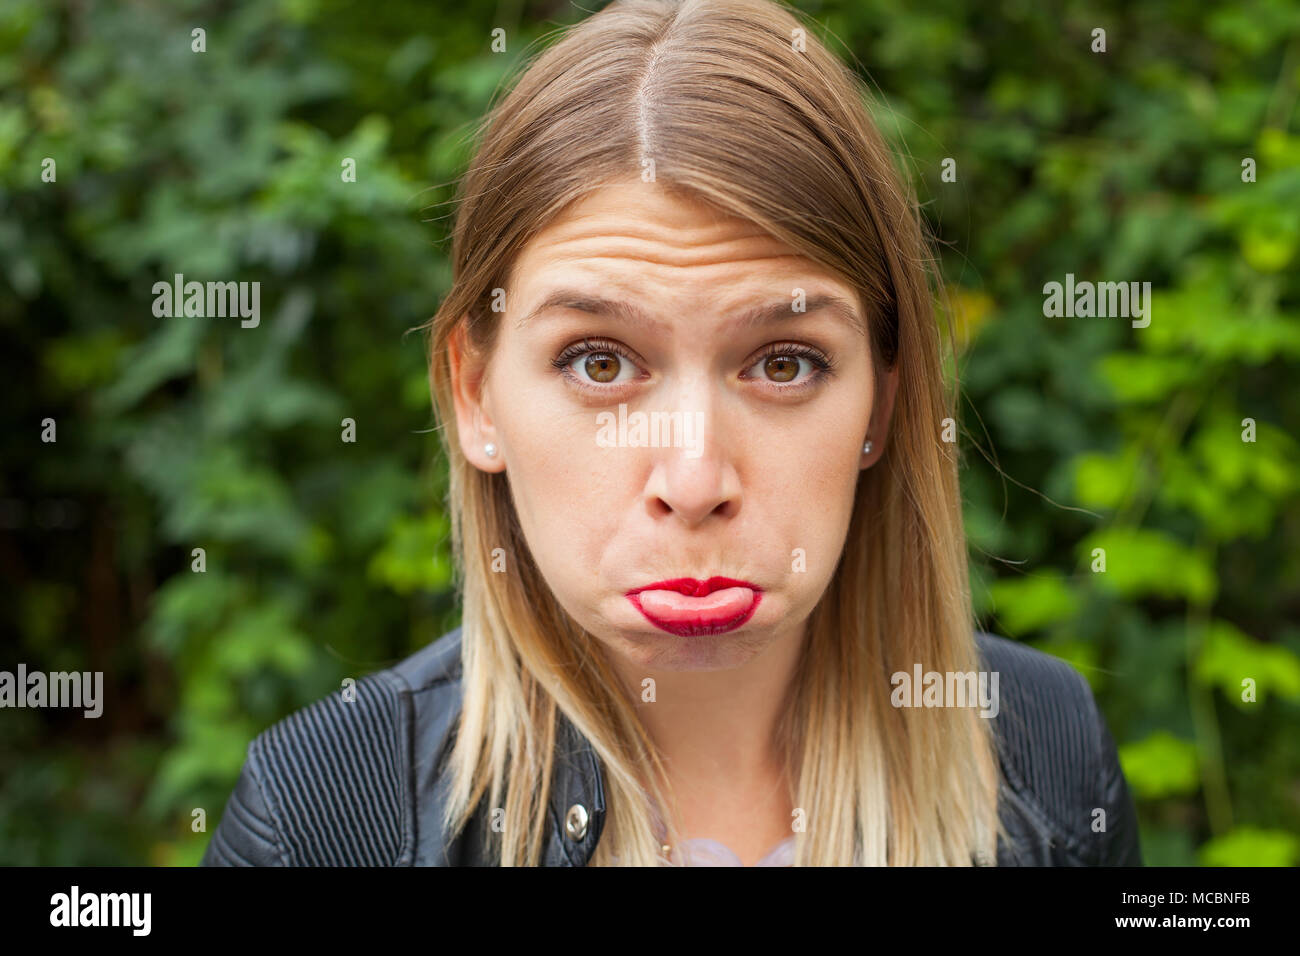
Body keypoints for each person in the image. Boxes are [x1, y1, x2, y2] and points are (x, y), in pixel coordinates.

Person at [202, 0, 1141, 867]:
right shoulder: (322, 823)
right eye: (599, 363)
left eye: (783, 363)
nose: (694, 482)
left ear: (883, 404)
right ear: (476, 396)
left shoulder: (1042, 755)